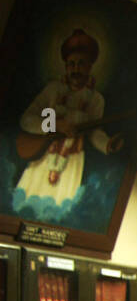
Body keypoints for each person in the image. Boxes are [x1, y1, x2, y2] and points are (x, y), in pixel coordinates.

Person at [16, 28, 123, 206]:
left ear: (89, 67)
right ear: (66, 66)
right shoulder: (53, 89)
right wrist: (54, 125)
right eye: (71, 64)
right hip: (44, 156)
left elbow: (93, 132)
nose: (76, 69)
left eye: (81, 64)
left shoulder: (96, 99)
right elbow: (27, 120)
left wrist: (108, 144)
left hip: (72, 160)